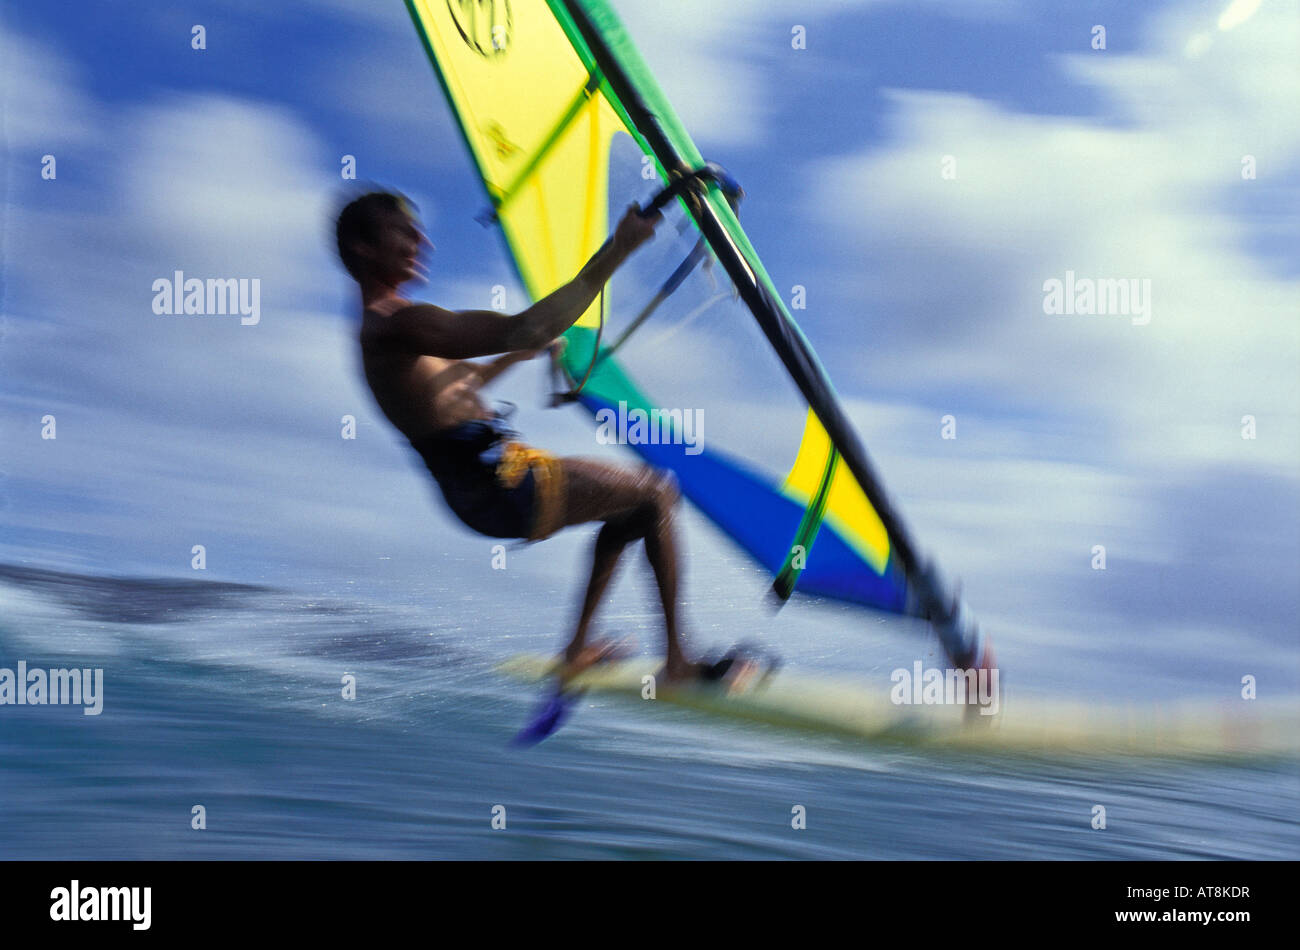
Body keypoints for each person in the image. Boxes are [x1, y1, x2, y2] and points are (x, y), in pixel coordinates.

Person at [336, 190, 706, 681]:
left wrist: (520, 353)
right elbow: (526, 327)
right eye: (402, 231)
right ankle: (677, 662)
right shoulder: (397, 324)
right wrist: (620, 247)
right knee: (658, 494)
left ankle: (577, 651)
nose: (421, 240)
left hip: (484, 489)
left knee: (636, 503)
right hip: (500, 485)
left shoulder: (384, 333)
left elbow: (461, 388)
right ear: (363, 247)